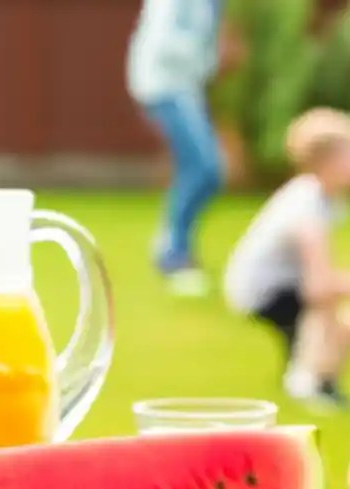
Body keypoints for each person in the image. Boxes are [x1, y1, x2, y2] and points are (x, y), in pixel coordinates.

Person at [223, 109, 350, 409]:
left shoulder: (325, 199)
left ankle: (318, 380)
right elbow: (318, 285)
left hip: (282, 285)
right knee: (335, 313)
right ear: (328, 161)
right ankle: (308, 381)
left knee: (342, 317)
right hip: (262, 292)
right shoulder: (307, 205)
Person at [127, 0, 228, 297]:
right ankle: (173, 251)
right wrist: (208, 59)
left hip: (185, 86)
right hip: (164, 85)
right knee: (205, 168)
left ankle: (175, 246)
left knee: (195, 168)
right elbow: (164, 39)